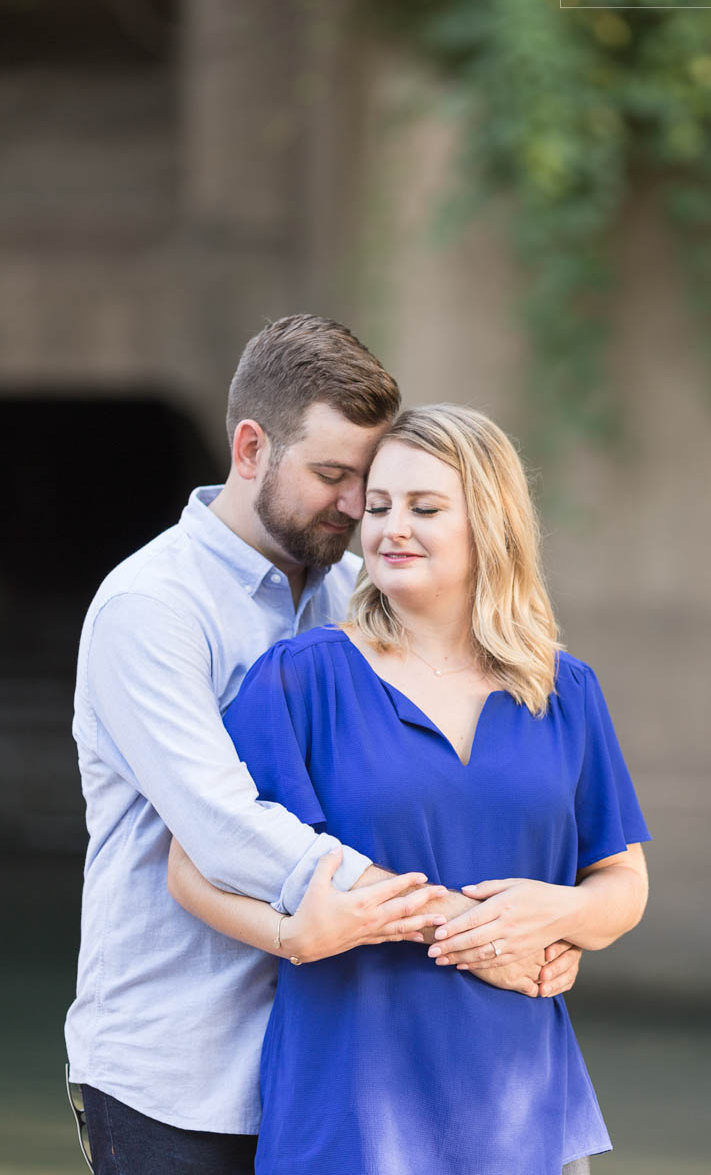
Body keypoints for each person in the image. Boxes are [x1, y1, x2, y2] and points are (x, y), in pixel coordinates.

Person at [65, 316, 582, 1175]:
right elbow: (225, 829)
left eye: (368, 483)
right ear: (250, 447)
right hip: (180, 1074)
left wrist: (554, 918)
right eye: (334, 476)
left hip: (341, 1069)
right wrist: (476, 931)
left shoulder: (361, 592)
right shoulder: (149, 609)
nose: (356, 508)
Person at [168, 403, 652, 1175]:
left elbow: (623, 881)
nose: (393, 528)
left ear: (489, 524)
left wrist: (558, 913)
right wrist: (294, 937)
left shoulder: (564, 690)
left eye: (425, 508)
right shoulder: (304, 680)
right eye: (380, 506)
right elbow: (191, 867)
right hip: (351, 1113)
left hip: (525, 1114)